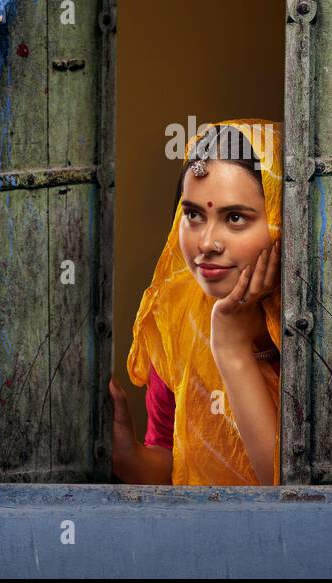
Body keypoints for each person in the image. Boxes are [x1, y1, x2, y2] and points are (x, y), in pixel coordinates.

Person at [108, 118, 283, 485]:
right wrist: (128, 456)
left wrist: (232, 347)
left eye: (235, 218)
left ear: (282, 221)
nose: (206, 243)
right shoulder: (177, 314)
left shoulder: (325, 320)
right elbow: (176, 467)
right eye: (193, 215)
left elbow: (298, 501)